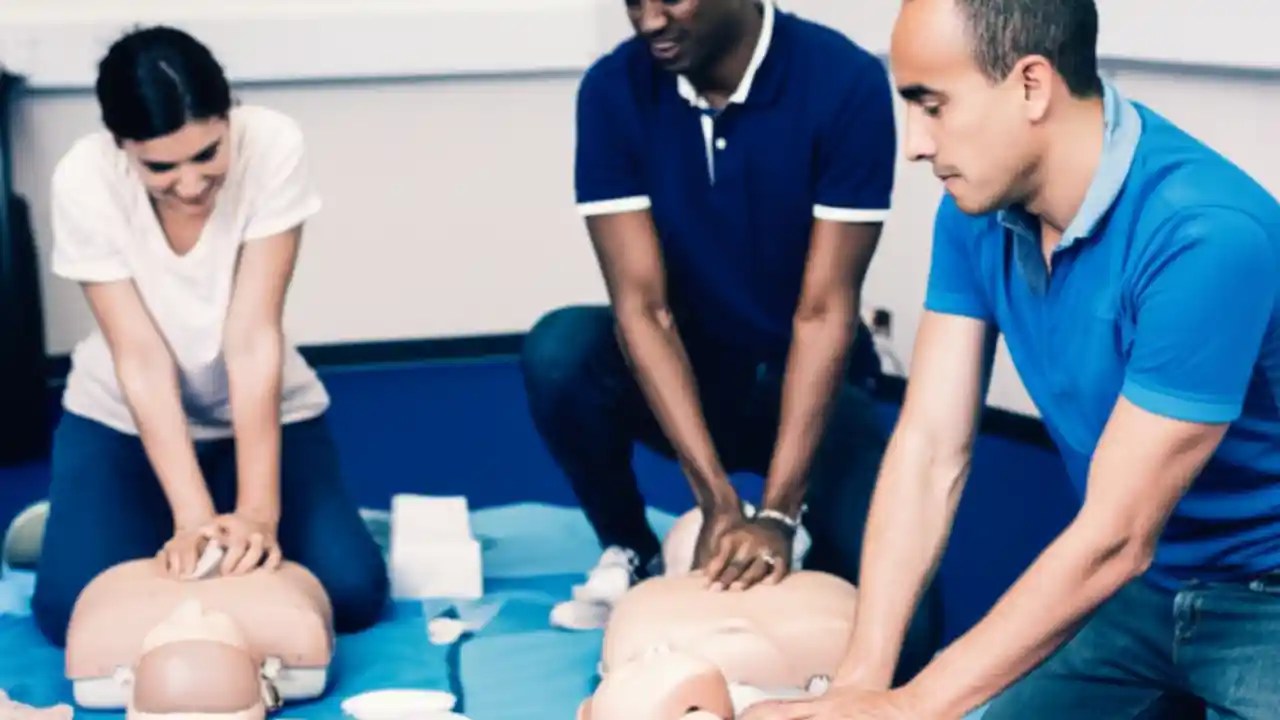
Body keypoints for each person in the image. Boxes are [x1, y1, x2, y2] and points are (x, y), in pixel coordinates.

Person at [745, 0, 1280, 718]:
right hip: (1135, 595)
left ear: (1031, 84)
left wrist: (916, 705)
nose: (914, 144)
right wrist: (862, 684)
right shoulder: (977, 211)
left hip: (1260, 601)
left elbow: (1118, 535)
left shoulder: (1205, 233)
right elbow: (931, 448)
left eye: (931, 105)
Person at [520, 0, 943, 682]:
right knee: (561, 350)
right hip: (692, 372)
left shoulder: (844, 82)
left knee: (909, 642)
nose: (649, 21)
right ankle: (632, 548)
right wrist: (717, 502)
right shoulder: (611, 90)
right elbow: (642, 308)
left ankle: (808, 539)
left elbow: (825, 310)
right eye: (633, 1)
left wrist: (778, 511)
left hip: (814, 388)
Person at [30, 26, 388, 646]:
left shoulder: (273, 144)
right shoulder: (83, 179)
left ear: (229, 118)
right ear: (121, 146)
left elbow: (251, 337)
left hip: (259, 409)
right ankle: (87, 514)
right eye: (161, 166)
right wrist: (193, 519)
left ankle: (239, 504)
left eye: (207, 155)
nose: (190, 183)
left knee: (352, 594)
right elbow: (139, 358)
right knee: (70, 612)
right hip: (123, 418)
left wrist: (258, 514)